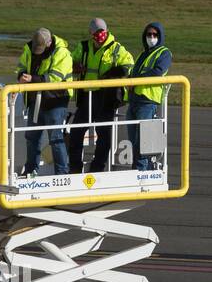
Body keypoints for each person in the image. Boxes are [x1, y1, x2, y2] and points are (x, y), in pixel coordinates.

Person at [69, 18, 133, 173]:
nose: (100, 35)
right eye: (97, 32)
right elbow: (69, 62)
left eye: (102, 31)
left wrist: (111, 74)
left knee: (104, 135)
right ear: (90, 33)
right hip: (87, 96)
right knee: (76, 132)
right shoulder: (83, 47)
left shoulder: (116, 48)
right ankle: (75, 168)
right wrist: (75, 67)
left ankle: (97, 168)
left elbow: (128, 65)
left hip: (106, 98)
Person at [16, 28, 73, 177]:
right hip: (36, 100)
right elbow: (22, 65)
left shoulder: (62, 53)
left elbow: (56, 77)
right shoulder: (29, 48)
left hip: (55, 100)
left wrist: (33, 80)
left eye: (40, 49)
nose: (37, 52)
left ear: (48, 43)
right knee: (32, 137)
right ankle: (30, 171)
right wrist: (21, 75)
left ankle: (62, 174)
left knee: (55, 138)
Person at [125, 22, 172, 171]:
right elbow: (134, 73)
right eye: (149, 34)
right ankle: (139, 169)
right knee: (133, 139)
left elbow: (158, 71)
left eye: (154, 35)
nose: (151, 37)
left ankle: (141, 170)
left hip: (147, 100)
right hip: (134, 99)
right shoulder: (143, 53)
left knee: (142, 140)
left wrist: (136, 80)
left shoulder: (164, 53)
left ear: (160, 36)